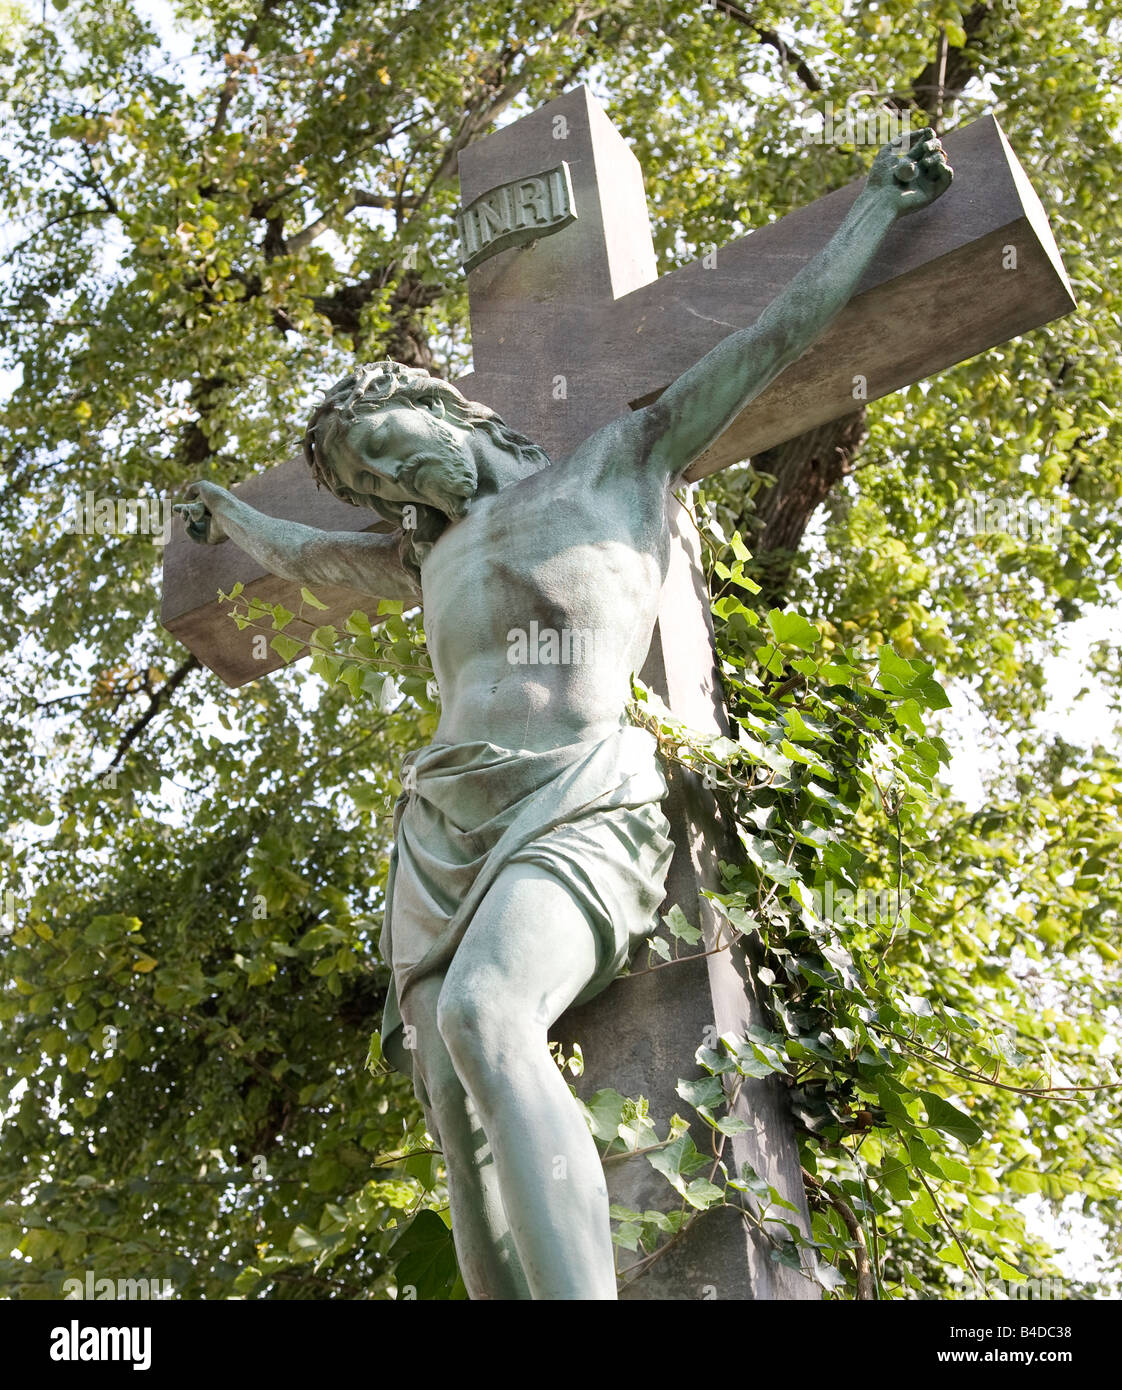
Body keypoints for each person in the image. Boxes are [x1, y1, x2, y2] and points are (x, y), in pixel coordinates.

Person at [176, 130, 952, 1298]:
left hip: (577, 793)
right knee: (450, 1096)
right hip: (441, 828)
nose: (393, 484)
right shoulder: (421, 560)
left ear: (446, 409)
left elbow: (777, 336)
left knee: (492, 1016)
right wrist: (228, 511)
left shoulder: (620, 464)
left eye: (390, 448)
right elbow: (306, 559)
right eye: (371, 482)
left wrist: (877, 210)